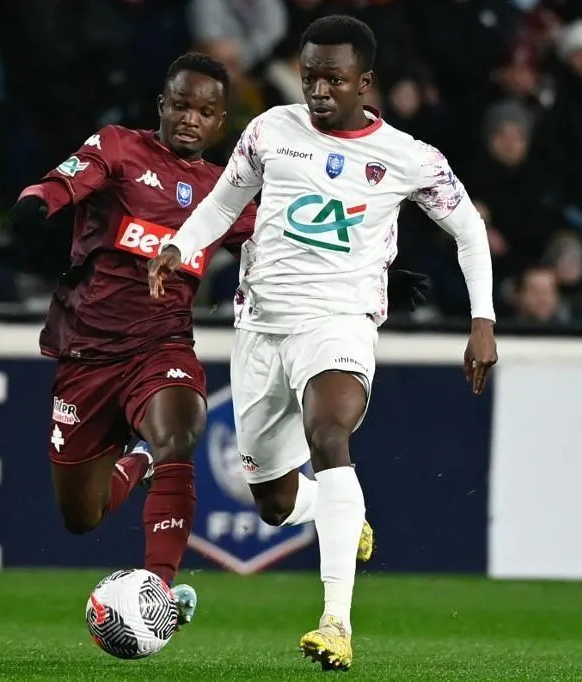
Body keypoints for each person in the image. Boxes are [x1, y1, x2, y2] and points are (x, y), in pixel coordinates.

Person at [11, 52, 428, 633]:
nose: (190, 119)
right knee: (84, 514)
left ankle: (159, 592)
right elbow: (63, 181)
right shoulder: (118, 149)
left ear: (220, 123)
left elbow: (297, 239)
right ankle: (142, 460)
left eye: (206, 112)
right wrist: (38, 205)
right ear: (162, 104)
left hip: (162, 348)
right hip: (87, 354)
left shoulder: (221, 190)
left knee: (180, 432)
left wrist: (380, 271)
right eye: (181, 105)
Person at [148, 17, 497, 670]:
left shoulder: (410, 157)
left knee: (329, 432)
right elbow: (225, 204)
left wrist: (484, 320)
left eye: (334, 78)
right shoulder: (270, 131)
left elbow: (469, 233)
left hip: (339, 322)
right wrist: (179, 247)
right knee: (274, 502)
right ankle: (337, 512)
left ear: (365, 83)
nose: (319, 90)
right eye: (310, 76)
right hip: (259, 329)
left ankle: (336, 622)